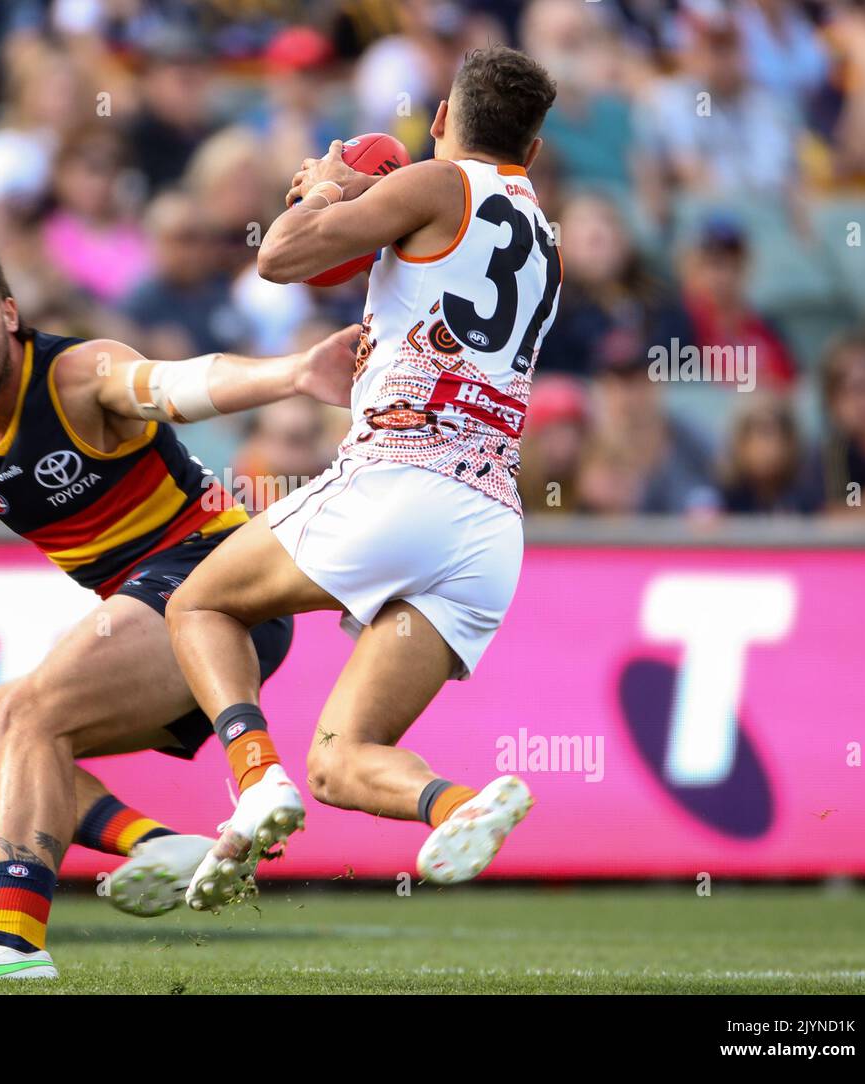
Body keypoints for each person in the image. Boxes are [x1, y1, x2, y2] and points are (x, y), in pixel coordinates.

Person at [0, 225, 357, 980]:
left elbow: (175, 386)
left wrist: (293, 373)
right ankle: (155, 845)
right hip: (148, 617)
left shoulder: (80, 373)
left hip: (220, 592)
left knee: (29, 715)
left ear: (8, 312)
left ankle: (12, 948)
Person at [165, 45, 558, 911]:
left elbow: (279, 258)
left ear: (443, 123)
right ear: (532, 152)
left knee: (201, 603)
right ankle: (459, 803)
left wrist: (324, 188)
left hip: (403, 480)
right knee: (342, 759)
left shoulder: (437, 181)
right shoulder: (546, 242)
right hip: (490, 525)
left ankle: (255, 778)